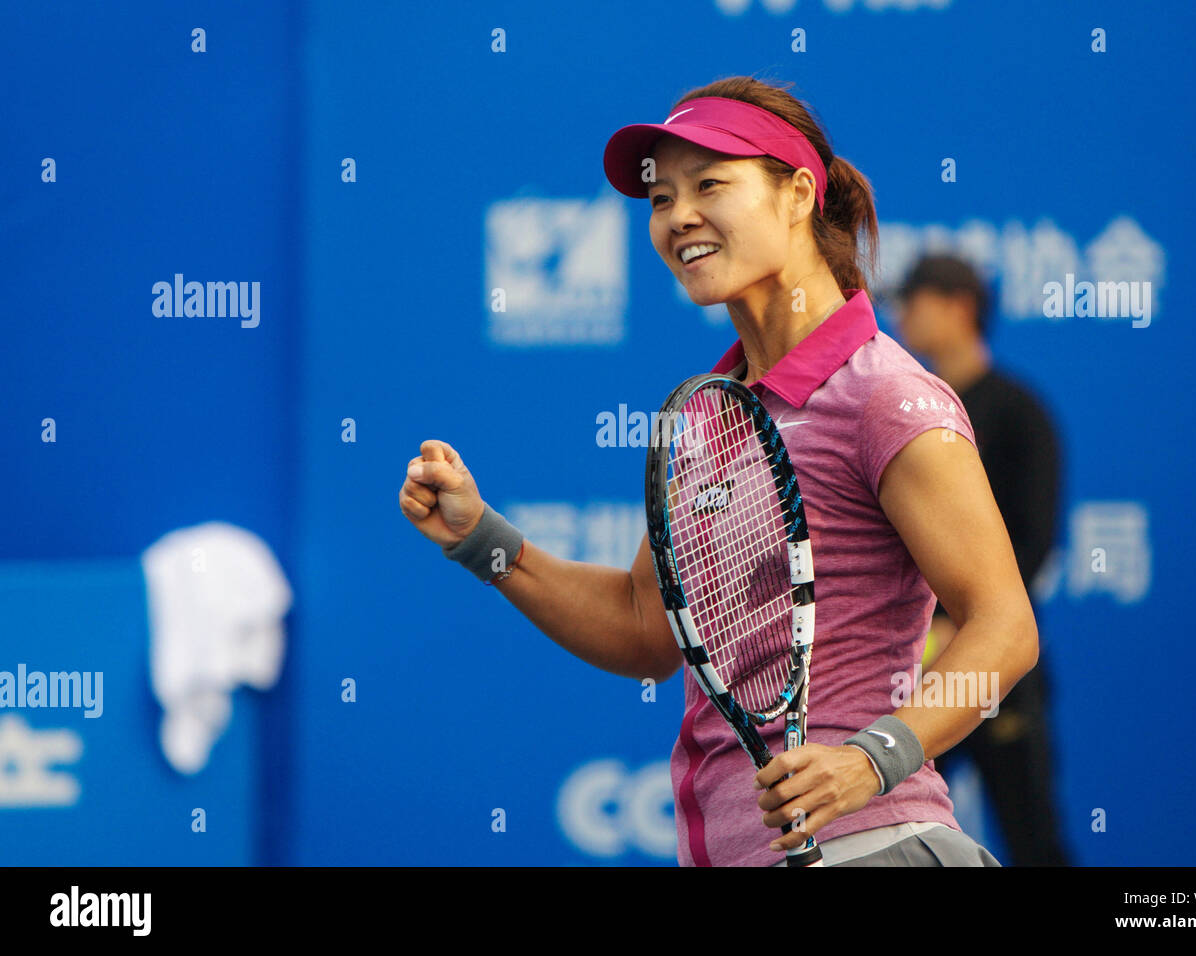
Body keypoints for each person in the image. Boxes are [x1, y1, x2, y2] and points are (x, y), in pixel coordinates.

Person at [398, 76, 1038, 867]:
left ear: (798, 194)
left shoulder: (886, 396)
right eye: (661, 198)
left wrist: (872, 759)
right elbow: (644, 627)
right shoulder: (703, 417)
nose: (679, 217)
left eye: (710, 185)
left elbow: (1005, 626)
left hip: (875, 846)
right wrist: (481, 540)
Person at [893, 254, 1072, 866]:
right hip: (909, 678)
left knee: (1031, 836)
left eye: (913, 301)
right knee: (891, 831)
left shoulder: (1021, 413)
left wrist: (961, 625)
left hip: (997, 672)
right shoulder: (901, 414)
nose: (899, 316)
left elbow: (1033, 539)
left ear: (960, 307)